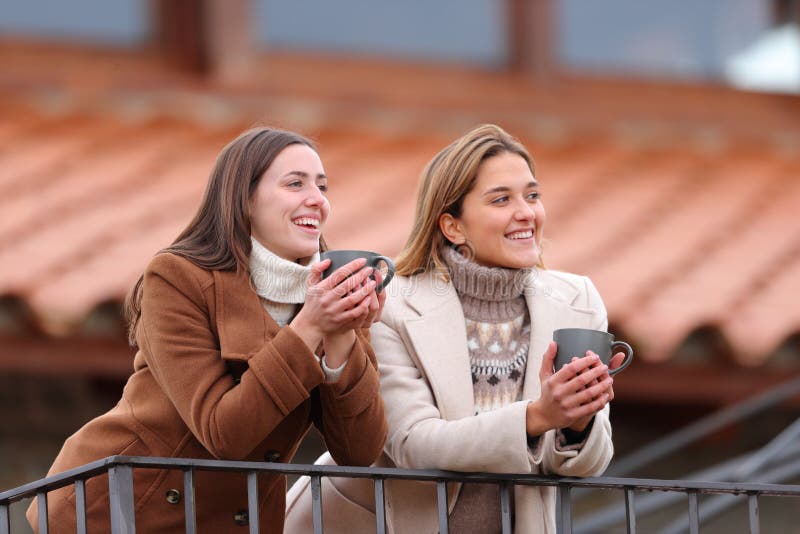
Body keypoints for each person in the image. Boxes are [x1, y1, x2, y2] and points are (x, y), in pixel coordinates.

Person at [27, 127, 388, 533]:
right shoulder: (177, 277)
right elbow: (224, 433)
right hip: (121, 511)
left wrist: (339, 336)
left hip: (237, 520)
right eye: (295, 184)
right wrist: (310, 326)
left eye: (322, 187)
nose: (317, 200)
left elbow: (360, 452)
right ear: (244, 199)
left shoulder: (329, 296)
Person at [285, 124, 624, 533]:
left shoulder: (578, 301)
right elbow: (413, 444)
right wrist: (537, 417)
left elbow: (588, 462)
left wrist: (576, 421)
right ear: (453, 227)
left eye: (532, 195)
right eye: (501, 199)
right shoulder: (393, 304)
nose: (527, 212)